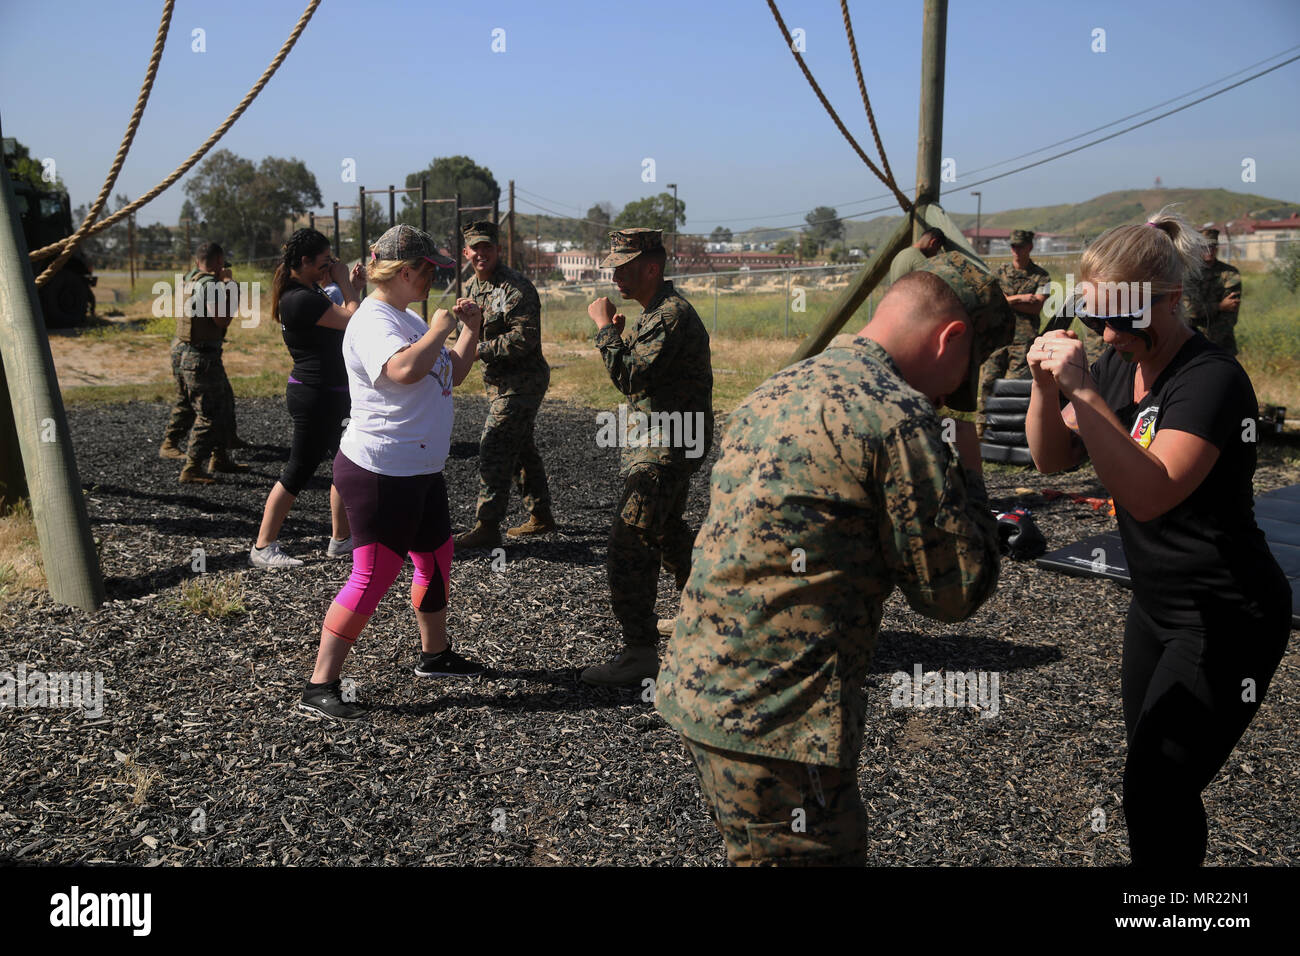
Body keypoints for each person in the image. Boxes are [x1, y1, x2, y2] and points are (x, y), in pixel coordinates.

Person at [655, 253, 1012, 865]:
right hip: (781, 726)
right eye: (968, 369)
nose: (958, 391)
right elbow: (953, 593)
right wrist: (970, 478)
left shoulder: (778, 386)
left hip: (701, 691)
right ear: (953, 337)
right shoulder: (897, 415)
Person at [1024, 209, 1291, 866]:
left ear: (1172, 300)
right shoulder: (1117, 361)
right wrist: (1042, 384)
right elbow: (1053, 460)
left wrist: (1082, 390)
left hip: (1226, 614)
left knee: (1156, 787)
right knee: (1159, 783)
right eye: (1095, 320)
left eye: (1127, 318)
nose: (1111, 334)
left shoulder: (1211, 379)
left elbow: (1149, 492)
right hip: (1157, 608)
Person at [299, 225, 485, 720]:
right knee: (372, 575)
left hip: (419, 468)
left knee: (435, 558)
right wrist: (440, 329)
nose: (434, 279)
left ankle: (435, 655)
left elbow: (450, 373)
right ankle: (321, 684)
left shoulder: (405, 317)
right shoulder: (374, 319)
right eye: (429, 270)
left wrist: (470, 330)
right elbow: (403, 370)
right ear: (406, 271)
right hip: (383, 471)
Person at [580, 228, 713, 686]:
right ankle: (709, 618)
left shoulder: (669, 315)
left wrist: (603, 331)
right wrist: (619, 335)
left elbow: (631, 378)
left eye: (623, 267)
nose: (615, 275)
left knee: (629, 546)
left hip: (664, 450)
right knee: (670, 532)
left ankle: (639, 653)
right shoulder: (656, 312)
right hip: (666, 443)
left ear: (652, 268)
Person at [249, 229, 365, 568]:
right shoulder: (300, 298)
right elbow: (354, 322)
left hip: (326, 394)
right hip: (316, 397)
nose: (329, 267)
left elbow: (338, 319)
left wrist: (352, 287)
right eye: (324, 262)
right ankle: (263, 546)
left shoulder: (308, 291)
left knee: (345, 465)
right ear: (304, 262)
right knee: (299, 469)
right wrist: (345, 283)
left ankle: (341, 539)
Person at [454, 219, 555, 548]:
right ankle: (541, 516)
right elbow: (469, 331)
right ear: (466, 252)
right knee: (521, 448)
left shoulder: (515, 287)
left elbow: (523, 339)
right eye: (475, 248)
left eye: (488, 247)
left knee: (495, 444)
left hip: (522, 383)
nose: (481, 253)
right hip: (497, 384)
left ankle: (487, 526)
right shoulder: (471, 287)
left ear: (498, 250)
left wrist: (478, 349)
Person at [159, 241, 247, 482]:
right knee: (210, 412)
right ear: (219, 262)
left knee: (222, 401)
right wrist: (231, 286)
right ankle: (193, 467)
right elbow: (222, 321)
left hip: (183, 349)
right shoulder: (212, 286)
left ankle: (219, 457)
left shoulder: (191, 278)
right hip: (200, 356)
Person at [976, 228, 1051, 433]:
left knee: (1012, 385)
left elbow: (1037, 307)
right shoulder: (999, 273)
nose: (1016, 250)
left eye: (1020, 246)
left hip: (1023, 339)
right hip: (997, 337)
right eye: (1013, 246)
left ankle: (1004, 431)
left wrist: (1006, 301)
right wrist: (1020, 299)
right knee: (988, 381)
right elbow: (992, 302)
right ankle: (981, 429)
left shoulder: (1042, 277)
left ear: (1030, 247)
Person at [1183, 227, 1242, 355]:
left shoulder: (1230, 274)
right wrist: (1220, 306)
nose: (1209, 250)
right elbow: (1189, 311)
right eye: (1204, 246)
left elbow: (1231, 312)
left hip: (1222, 343)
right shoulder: (1188, 274)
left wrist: (1203, 313)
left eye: (1213, 246)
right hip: (1191, 340)